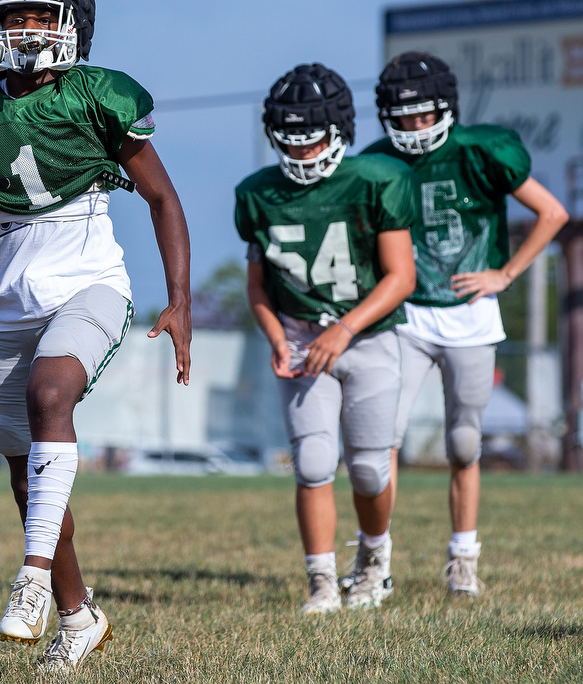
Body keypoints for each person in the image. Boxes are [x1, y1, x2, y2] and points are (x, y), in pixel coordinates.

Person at [0, 0, 191, 671]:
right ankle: (78, 616)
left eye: (44, 15)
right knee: (23, 467)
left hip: (90, 280)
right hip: (9, 300)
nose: (30, 29)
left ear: (73, 25)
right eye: (16, 16)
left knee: (51, 395)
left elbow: (163, 197)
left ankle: (31, 579)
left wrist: (181, 300)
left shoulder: (98, 96)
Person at [362, 51, 568, 597]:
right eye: (402, 116)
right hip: (406, 316)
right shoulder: (379, 160)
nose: (413, 126)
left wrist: (506, 272)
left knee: (463, 444)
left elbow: (553, 213)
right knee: (383, 437)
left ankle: (462, 559)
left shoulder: (482, 150)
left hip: (471, 318)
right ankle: (375, 561)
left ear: (446, 109)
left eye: (423, 114)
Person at [234, 63, 417, 614]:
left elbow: (401, 277)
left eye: (313, 144)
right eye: (292, 145)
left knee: (368, 467)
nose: (304, 156)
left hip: (366, 336)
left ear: (339, 134)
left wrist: (343, 328)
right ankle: (320, 582)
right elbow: (258, 286)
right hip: (300, 337)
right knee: (314, 462)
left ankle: (374, 562)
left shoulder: (377, 179)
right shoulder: (257, 193)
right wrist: (274, 337)